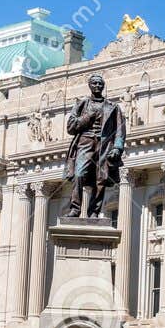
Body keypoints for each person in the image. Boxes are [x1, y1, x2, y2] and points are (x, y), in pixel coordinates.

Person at [63, 73, 126, 220]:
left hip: (104, 145)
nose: (97, 86)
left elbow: (120, 129)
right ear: (90, 86)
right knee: (79, 174)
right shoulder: (82, 104)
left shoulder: (113, 107)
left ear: (103, 86)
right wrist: (87, 117)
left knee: (101, 179)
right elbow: (71, 127)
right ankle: (75, 209)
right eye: (95, 83)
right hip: (85, 141)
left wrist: (117, 147)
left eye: (100, 84)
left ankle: (94, 212)